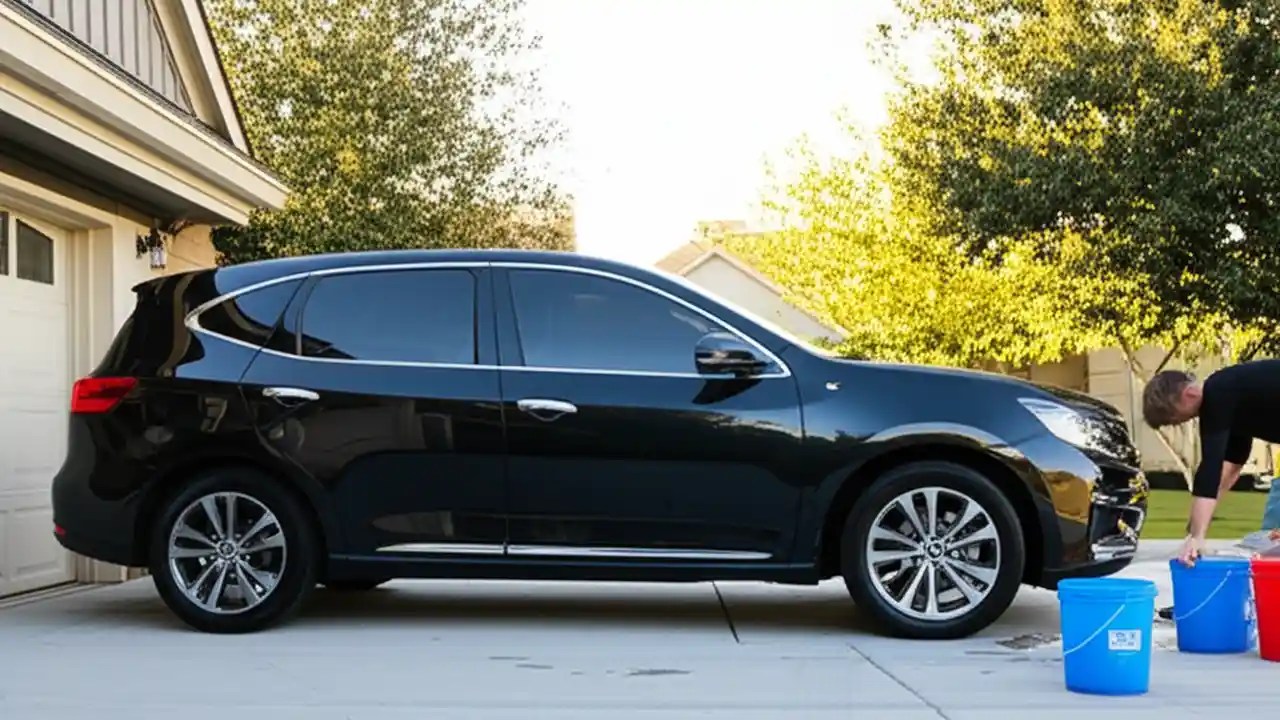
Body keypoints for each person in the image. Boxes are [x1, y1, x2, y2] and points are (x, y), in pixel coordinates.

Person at [1142, 361, 1280, 620]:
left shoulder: (1218, 393)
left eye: (1175, 417)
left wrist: (1197, 537)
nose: (1180, 423)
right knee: (1273, 542)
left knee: (1274, 542)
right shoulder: (1234, 397)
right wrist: (1196, 529)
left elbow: (1211, 465)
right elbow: (1232, 466)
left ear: (1189, 394)